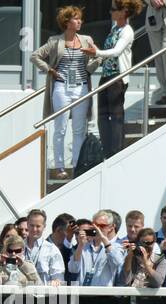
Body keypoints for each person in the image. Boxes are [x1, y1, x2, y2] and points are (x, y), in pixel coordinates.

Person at [32, 7, 100, 179]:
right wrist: (49, 70)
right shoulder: (55, 41)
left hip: (81, 87)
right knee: (60, 129)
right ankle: (60, 167)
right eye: (76, 19)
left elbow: (98, 56)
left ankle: (77, 165)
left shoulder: (86, 40)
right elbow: (35, 56)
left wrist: (94, 62)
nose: (80, 22)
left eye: (80, 19)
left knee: (79, 129)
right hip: (62, 87)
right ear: (67, 22)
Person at [89, 1, 143, 159]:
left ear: (123, 12)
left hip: (117, 77)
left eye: (113, 9)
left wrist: (97, 52)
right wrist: (95, 53)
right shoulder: (114, 29)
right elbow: (107, 52)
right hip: (106, 76)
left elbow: (116, 51)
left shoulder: (127, 31)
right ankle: (107, 151)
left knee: (116, 115)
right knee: (103, 115)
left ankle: (117, 151)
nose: (110, 12)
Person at [25, 209, 67, 284]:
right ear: (27, 224)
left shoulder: (52, 249)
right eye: (32, 225)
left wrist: (56, 281)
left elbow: (58, 277)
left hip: (43, 294)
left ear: (44, 226)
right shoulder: (17, 247)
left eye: (38, 226)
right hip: (20, 294)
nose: (34, 229)